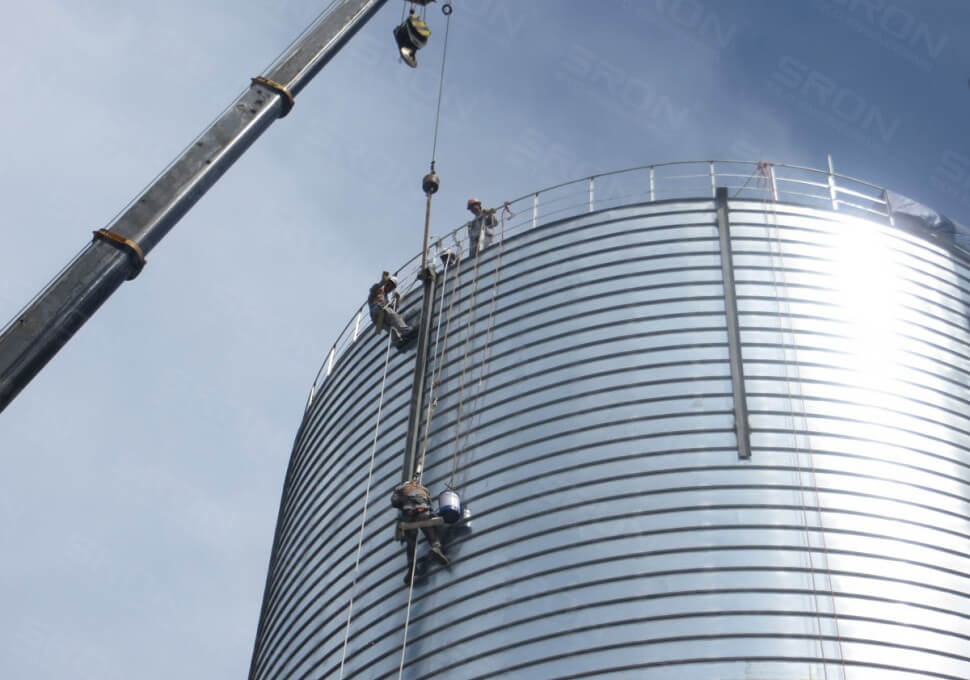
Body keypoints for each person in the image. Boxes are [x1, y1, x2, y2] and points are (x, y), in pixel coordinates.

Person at [391, 479, 449, 584]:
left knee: (411, 540)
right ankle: (436, 547)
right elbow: (430, 505)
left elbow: (394, 502)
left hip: (409, 515)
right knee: (429, 528)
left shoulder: (400, 489)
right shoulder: (424, 490)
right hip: (423, 512)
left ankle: (411, 566)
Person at [368, 271, 415, 345]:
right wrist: (383, 281)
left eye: (392, 288)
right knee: (393, 315)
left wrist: (397, 299)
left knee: (393, 329)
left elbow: (393, 312)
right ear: (387, 283)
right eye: (390, 285)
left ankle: (397, 342)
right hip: (377, 311)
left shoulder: (386, 298)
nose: (390, 289)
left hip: (378, 320)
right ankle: (406, 331)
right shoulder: (379, 290)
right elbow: (374, 290)